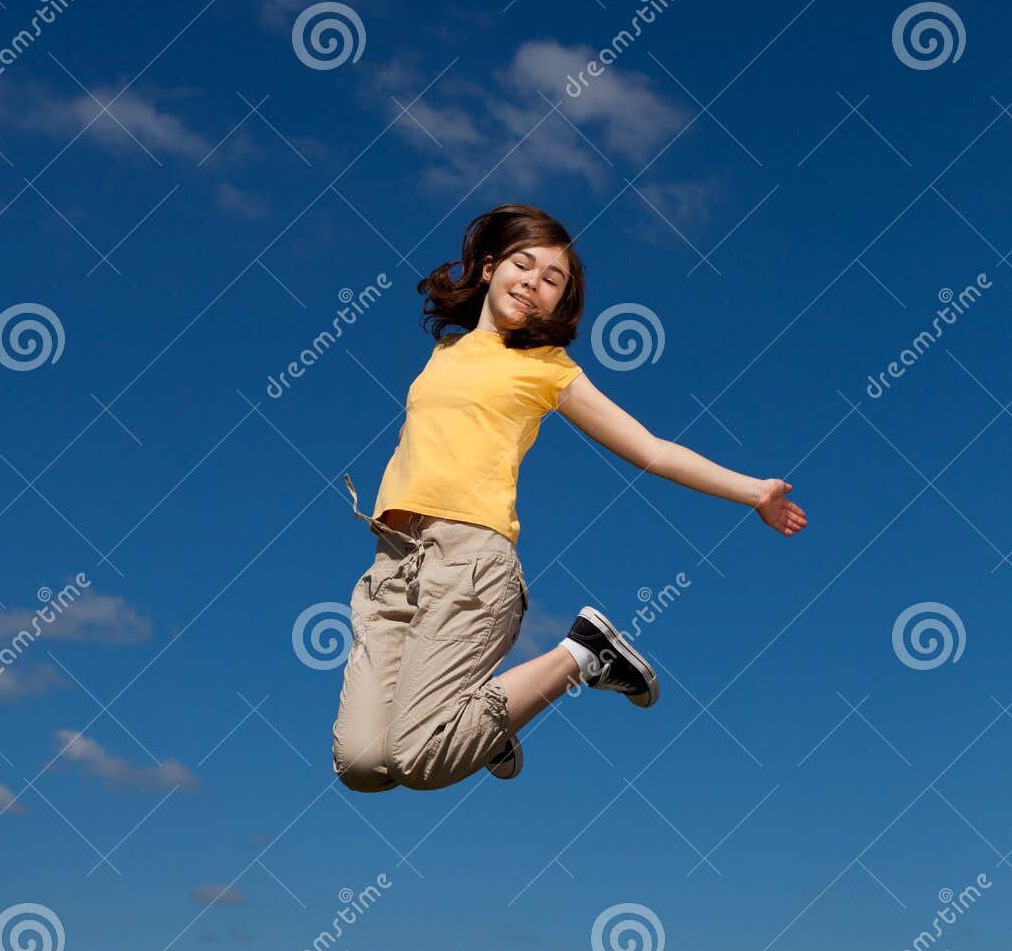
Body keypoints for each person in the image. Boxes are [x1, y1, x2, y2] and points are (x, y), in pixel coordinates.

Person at [332, 203, 806, 793]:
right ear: (487, 268)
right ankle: (489, 719)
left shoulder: (546, 368)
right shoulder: (444, 353)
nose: (533, 282)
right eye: (522, 264)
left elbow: (650, 448)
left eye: (551, 280)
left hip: (468, 562)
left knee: (419, 760)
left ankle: (586, 652)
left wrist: (753, 490)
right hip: (393, 564)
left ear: (559, 304)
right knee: (360, 765)